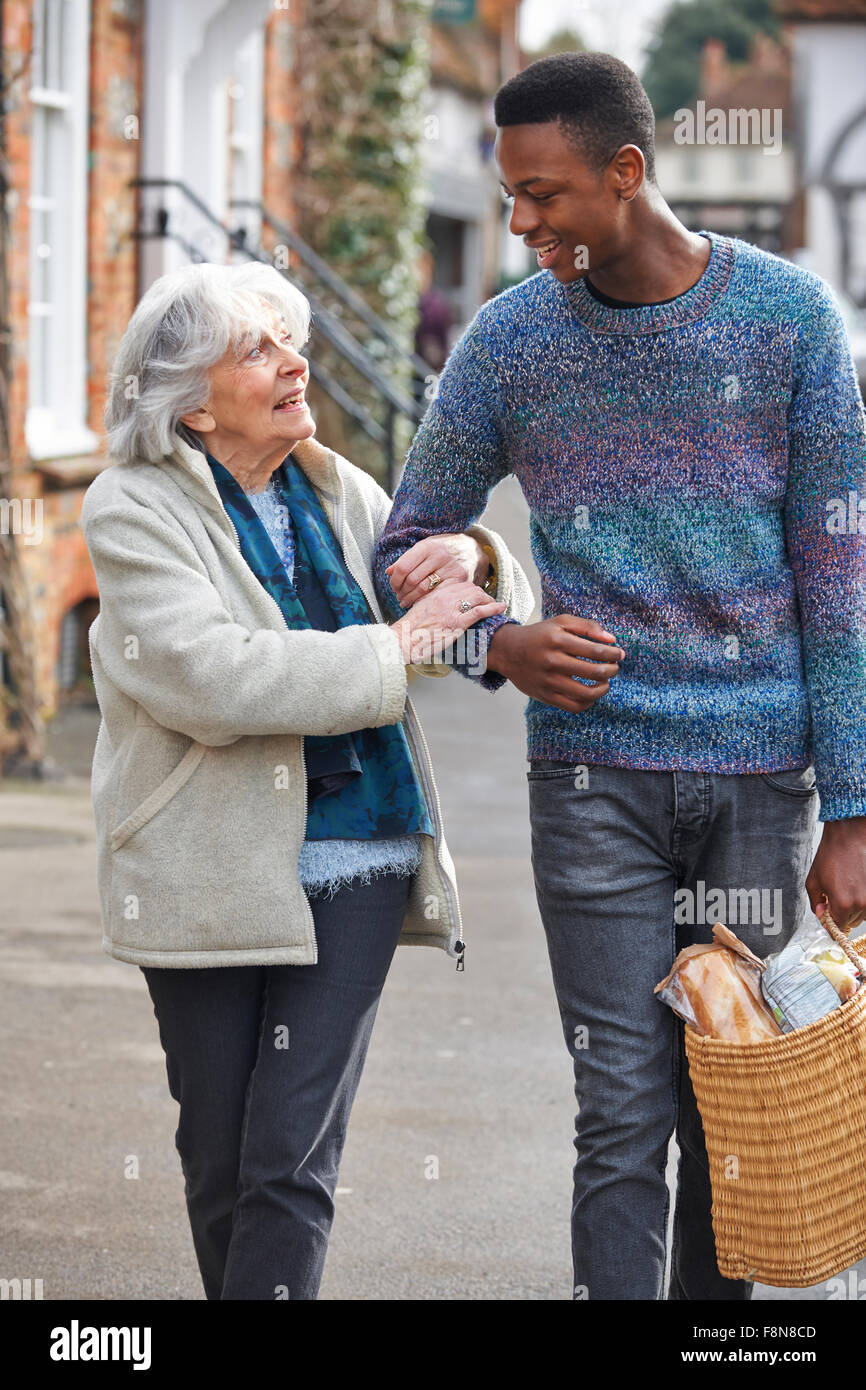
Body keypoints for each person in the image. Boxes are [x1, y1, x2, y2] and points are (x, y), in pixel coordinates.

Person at [373, 52, 866, 1301]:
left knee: (731, 1099)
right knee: (617, 1107)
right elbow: (403, 543)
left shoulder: (792, 322)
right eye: (510, 199)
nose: (521, 223)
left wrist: (853, 805)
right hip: (591, 785)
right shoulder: (509, 343)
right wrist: (500, 645)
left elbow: (840, 577)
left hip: (760, 790)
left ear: (624, 172)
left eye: (542, 196)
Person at [80, 260, 534, 1300]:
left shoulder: (338, 488)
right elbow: (212, 678)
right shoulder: (131, 508)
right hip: (203, 871)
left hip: (361, 861)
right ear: (193, 407)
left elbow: (444, 604)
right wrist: (396, 647)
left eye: (290, 341)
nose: (296, 365)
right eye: (259, 350)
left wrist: (470, 561)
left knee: (288, 1158)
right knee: (220, 1155)